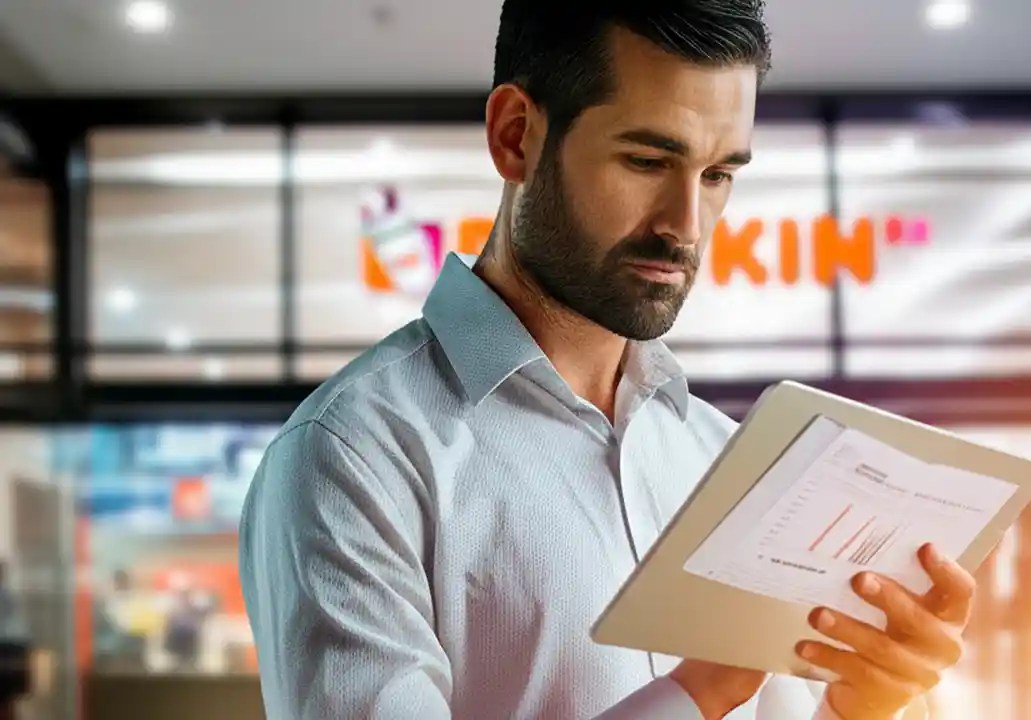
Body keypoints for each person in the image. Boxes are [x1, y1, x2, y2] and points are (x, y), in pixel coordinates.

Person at [239, 2, 975, 718]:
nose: (686, 226)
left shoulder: (725, 457)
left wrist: (862, 706)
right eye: (648, 160)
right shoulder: (352, 455)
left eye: (718, 175)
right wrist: (699, 694)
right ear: (516, 136)